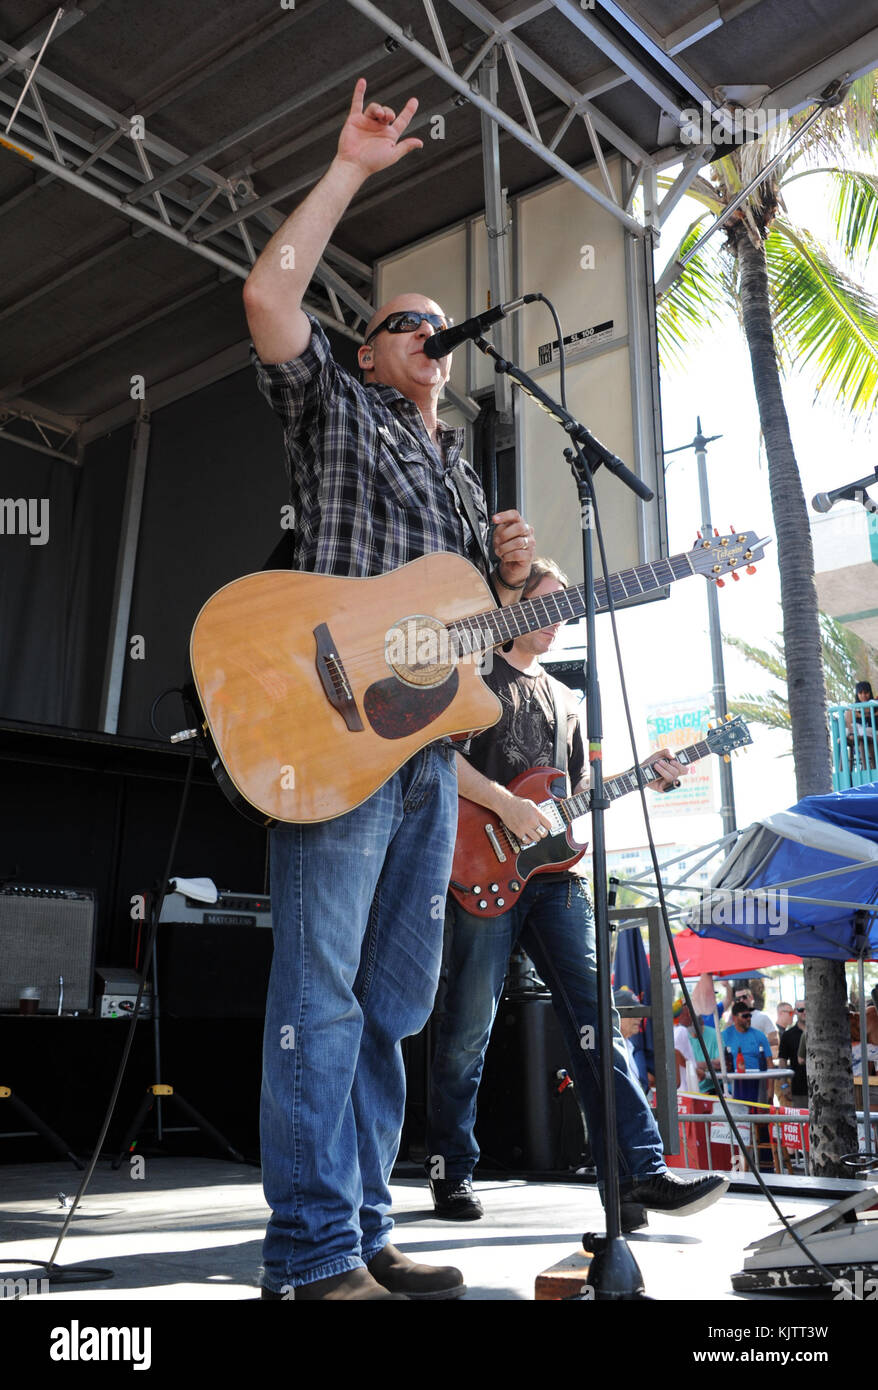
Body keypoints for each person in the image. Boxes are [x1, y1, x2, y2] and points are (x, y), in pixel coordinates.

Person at [243, 79, 537, 1301]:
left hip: (421, 755)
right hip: (329, 736)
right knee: (317, 989)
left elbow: (485, 664)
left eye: (434, 324)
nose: (429, 332)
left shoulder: (463, 484)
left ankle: (361, 1230)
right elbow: (268, 295)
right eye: (407, 322)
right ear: (370, 348)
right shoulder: (338, 407)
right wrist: (351, 170)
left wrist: (520, 595)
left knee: (386, 1005)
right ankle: (307, 1255)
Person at [424, 559, 728, 1231]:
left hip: (555, 878)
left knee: (598, 1019)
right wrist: (503, 803)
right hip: (479, 870)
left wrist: (644, 777)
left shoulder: (568, 700)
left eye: (566, 606)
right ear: (516, 604)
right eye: (548, 603)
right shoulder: (474, 674)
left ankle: (636, 1176)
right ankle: (451, 1170)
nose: (561, 617)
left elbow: (569, 797)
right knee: (466, 1031)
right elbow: (437, 755)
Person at [722, 1000, 773, 1104]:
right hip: (733, 1088)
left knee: (757, 1119)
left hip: (757, 1087)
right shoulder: (724, 1036)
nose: (749, 1019)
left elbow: (770, 1064)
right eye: (745, 1016)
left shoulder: (759, 1036)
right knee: (737, 1119)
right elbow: (719, 1062)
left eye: (750, 1015)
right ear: (735, 1018)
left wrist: (771, 1092)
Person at [777, 1000, 808, 1107]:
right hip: (799, 1089)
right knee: (802, 1121)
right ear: (795, 1012)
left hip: (820, 1087)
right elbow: (782, 1061)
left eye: (807, 1009)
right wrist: (784, 1085)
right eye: (800, 1010)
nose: (804, 1012)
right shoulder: (788, 1035)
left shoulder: (819, 1033)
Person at [845, 681, 877, 770]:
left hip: (872, 734)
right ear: (857, 694)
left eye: (866, 692)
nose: (863, 695)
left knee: (864, 735)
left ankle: (870, 768)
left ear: (870, 693)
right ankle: (865, 768)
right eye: (860, 693)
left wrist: (861, 715)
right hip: (858, 736)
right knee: (859, 736)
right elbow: (848, 721)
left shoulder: (874, 704)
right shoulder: (852, 708)